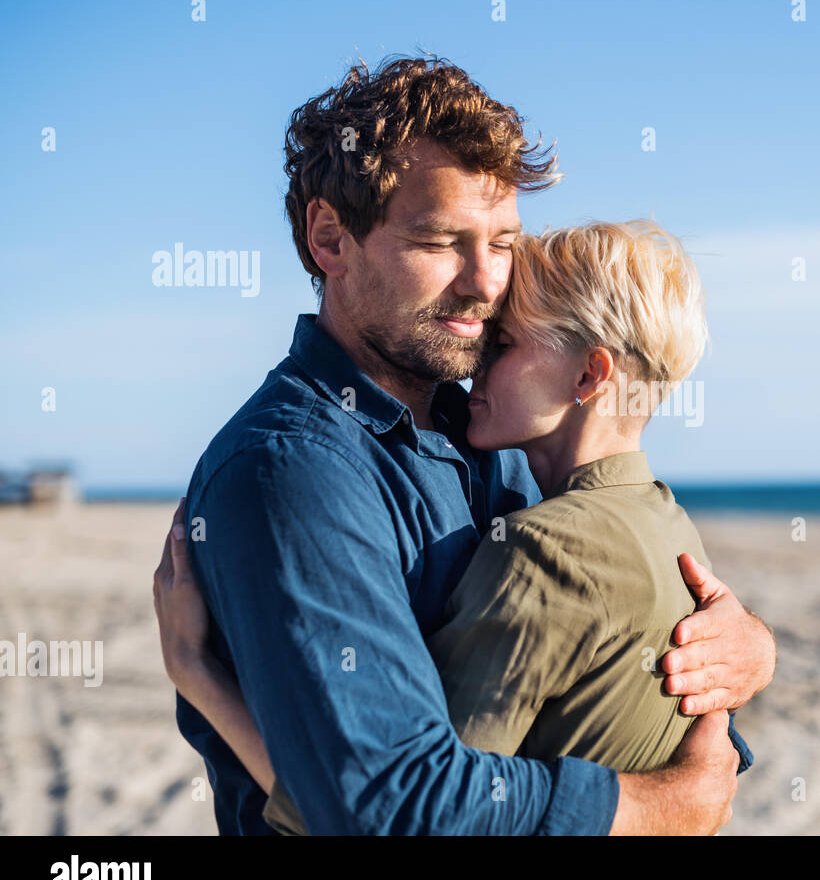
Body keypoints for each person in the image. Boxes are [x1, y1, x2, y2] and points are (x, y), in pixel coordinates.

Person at [152, 55, 776, 835]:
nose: (486, 283)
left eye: (504, 242)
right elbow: (395, 806)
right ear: (329, 239)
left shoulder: (494, 428)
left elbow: (594, 656)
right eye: (442, 240)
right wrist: (656, 808)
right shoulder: (292, 474)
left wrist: (738, 652)